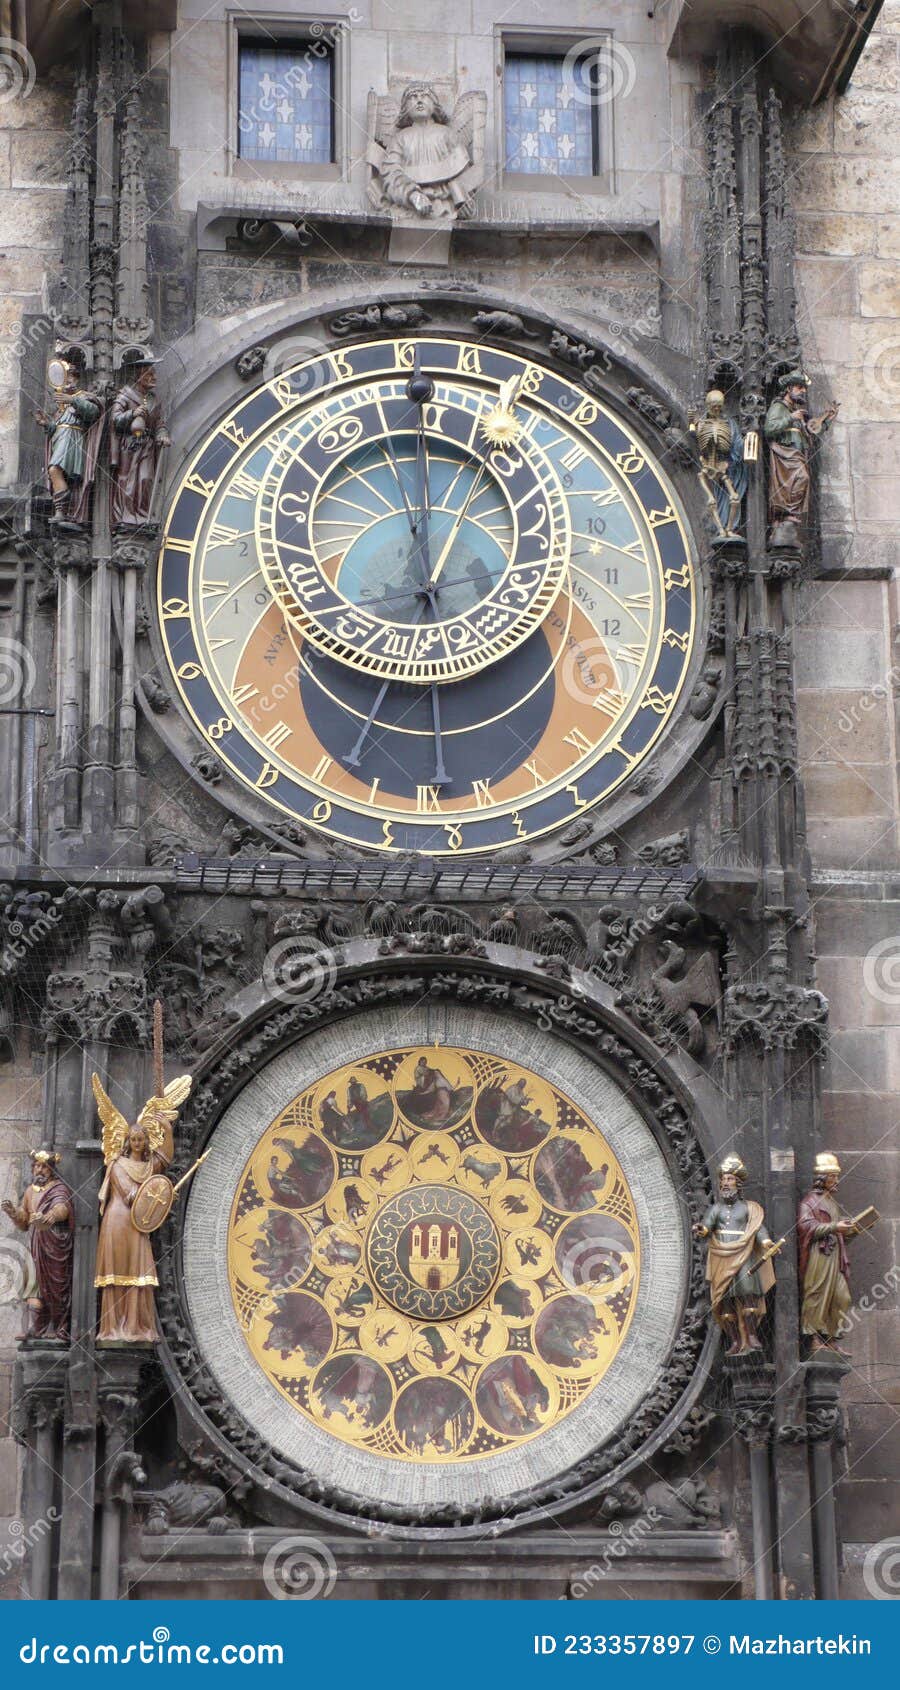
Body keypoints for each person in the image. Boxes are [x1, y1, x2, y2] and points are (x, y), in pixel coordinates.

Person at [92, 1072, 190, 1343]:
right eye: (133, 1140)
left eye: (141, 1140)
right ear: (127, 1142)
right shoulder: (117, 1166)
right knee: (119, 1272)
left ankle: (137, 1326)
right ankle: (114, 1328)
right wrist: (160, 1196)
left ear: (146, 1141)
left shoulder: (148, 1165)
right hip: (120, 1221)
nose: (137, 1143)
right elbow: (131, 1195)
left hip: (138, 1223)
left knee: (139, 1273)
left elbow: (164, 1160)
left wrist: (167, 1131)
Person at [695, 1154, 780, 1355]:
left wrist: (766, 1242)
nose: (725, 1183)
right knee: (724, 1299)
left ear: (738, 1183)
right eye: (723, 1179)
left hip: (743, 1254)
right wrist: (702, 1229)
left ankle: (750, 1335)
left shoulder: (748, 1209)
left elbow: (757, 1229)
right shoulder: (716, 1209)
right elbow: (707, 1225)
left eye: (730, 1179)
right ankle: (734, 1339)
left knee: (748, 1293)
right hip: (721, 1255)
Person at [1, 1149, 74, 1340]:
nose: (39, 1170)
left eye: (44, 1167)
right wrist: (13, 1213)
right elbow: (24, 1222)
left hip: (53, 1243)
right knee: (33, 1285)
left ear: (51, 1170)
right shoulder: (29, 1192)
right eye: (37, 1166)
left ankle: (58, 1326)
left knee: (55, 1285)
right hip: (35, 1243)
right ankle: (35, 1328)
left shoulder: (58, 1188)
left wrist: (50, 1215)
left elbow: (62, 1208)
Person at [764, 370, 838, 542]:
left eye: (804, 388)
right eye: (799, 387)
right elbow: (769, 429)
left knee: (801, 480)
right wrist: (790, 418)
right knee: (801, 478)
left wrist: (827, 421)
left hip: (797, 455)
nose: (803, 391)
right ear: (789, 388)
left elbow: (810, 433)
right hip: (784, 455)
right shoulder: (779, 407)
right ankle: (784, 515)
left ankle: (788, 515)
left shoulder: (797, 412)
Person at [797, 1152, 859, 1353]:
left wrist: (850, 1231)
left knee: (841, 1297)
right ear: (822, 1179)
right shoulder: (809, 1201)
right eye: (832, 1176)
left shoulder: (831, 1202)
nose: (836, 1181)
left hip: (835, 1255)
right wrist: (834, 1227)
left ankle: (831, 1338)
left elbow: (837, 1230)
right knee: (817, 1294)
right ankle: (815, 1337)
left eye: (836, 1176)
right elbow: (806, 1226)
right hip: (819, 1255)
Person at [35, 360, 103, 526]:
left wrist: (72, 400)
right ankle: (62, 511)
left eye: (70, 377)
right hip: (61, 439)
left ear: (77, 379)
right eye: (64, 378)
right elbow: (57, 427)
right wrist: (46, 424)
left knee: (54, 469)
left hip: (73, 439)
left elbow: (93, 413)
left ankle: (61, 510)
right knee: (55, 471)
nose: (67, 381)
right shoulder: (62, 406)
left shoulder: (84, 397)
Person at [109, 358, 170, 528]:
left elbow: (160, 424)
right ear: (138, 375)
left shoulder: (154, 400)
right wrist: (132, 413)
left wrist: (162, 434)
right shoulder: (125, 395)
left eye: (154, 374)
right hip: (130, 446)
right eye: (149, 374)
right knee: (128, 481)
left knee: (145, 479)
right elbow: (114, 420)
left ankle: (141, 514)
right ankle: (127, 516)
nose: (154, 378)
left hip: (147, 447)